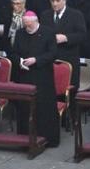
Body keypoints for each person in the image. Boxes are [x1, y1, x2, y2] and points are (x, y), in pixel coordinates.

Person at [10, 11, 60, 145]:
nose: (28, 28)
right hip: (25, 75)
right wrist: (20, 62)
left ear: (36, 21)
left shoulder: (48, 32)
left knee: (43, 108)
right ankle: (25, 137)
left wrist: (36, 60)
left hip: (43, 77)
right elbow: (13, 53)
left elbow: (53, 53)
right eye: (26, 25)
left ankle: (47, 138)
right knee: (25, 107)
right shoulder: (20, 33)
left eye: (30, 25)